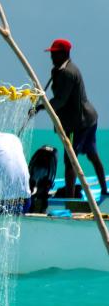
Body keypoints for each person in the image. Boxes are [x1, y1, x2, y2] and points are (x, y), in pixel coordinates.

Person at [31, 39, 107, 200]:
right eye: (51, 53)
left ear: (64, 54)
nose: (51, 56)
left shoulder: (68, 72)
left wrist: (39, 107)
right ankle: (104, 189)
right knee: (92, 155)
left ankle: (70, 200)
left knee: (70, 160)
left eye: (55, 53)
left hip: (78, 124)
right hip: (89, 118)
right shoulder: (60, 70)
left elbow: (60, 100)